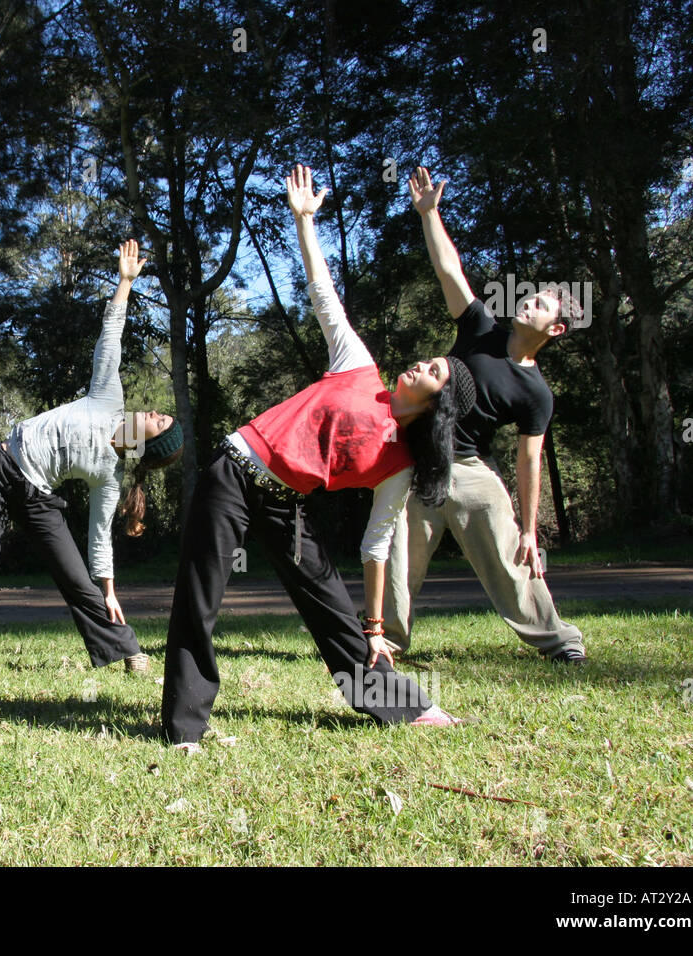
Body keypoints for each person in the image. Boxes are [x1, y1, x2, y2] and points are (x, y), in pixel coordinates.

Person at [162, 165, 475, 746]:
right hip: (235, 471)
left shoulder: (401, 463)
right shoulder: (359, 366)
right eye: (426, 360)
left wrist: (377, 625)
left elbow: (376, 544)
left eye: (432, 372)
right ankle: (185, 728)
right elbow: (323, 292)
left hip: (286, 504)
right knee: (200, 596)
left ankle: (395, 704)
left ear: (438, 405)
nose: (419, 365)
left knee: (330, 601)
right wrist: (305, 222)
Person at [0, 240, 182, 681]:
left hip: (38, 494)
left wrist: (110, 590)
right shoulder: (109, 398)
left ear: (151, 444)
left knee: (77, 579)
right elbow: (110, 338)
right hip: (2, 467)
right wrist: (125, 283)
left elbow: (100, 541)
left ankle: (124, 646)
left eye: (160, 421)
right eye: (159, 412)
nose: (154, 413)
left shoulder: (110, 477)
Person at [381, 167, 587, 663]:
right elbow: (449, 270)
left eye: (541, 304)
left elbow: (529, 462)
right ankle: (385, 643)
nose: (529, 301)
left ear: (554, 330)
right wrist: (429, 213)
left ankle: (559, 641)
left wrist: (533, 531)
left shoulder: (536, 392)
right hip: (416, 465)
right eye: (531, 295)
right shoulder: (480, 329)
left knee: (511, 560)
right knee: (397, 561)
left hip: (471, 473)